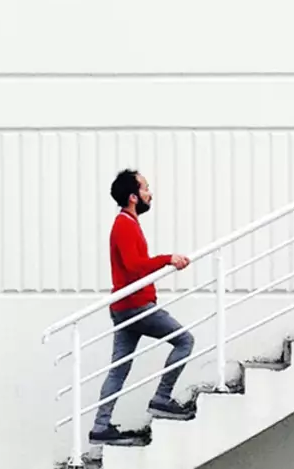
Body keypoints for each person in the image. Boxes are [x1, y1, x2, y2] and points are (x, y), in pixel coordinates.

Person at [88, 169, 196, 447]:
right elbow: (135, 266)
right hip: (135, 306)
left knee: (119, 369)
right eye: (146, 188)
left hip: (127, 306)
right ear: (134, 197)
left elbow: (134, 265)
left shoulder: (129, 224)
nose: (151, 193)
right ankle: (162, 399)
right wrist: (168, 259)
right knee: (185, 341)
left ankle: (101, 427)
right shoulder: (124, 224)